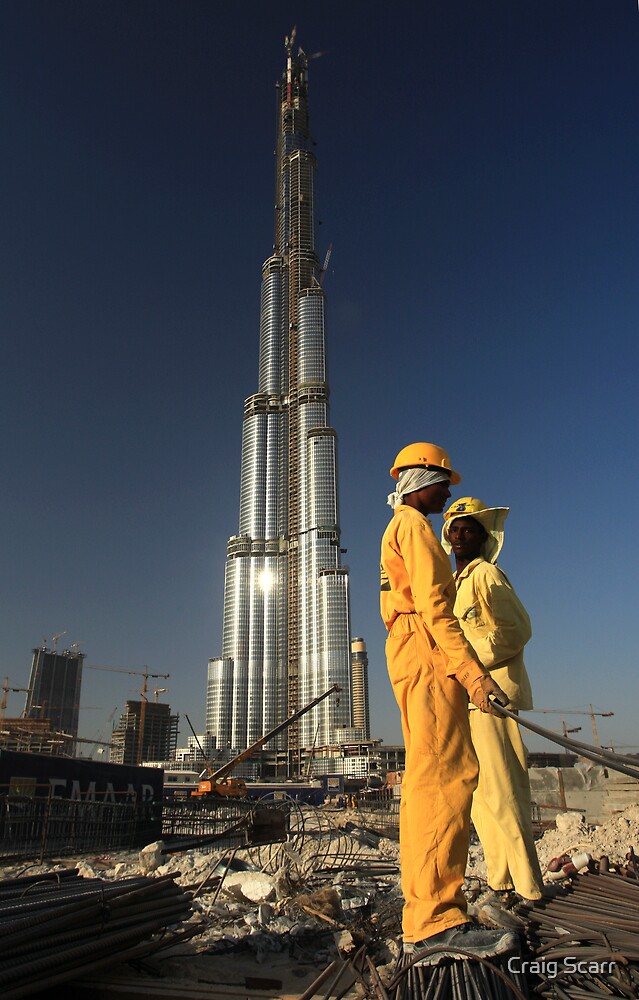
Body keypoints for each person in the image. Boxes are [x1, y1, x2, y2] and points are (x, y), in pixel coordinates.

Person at [380, 443, 518, 964]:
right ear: (421, 480)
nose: (447, 494)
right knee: (446, 777)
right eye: (443, 484)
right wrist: (475, 676)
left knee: (426, 781)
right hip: (426, 649)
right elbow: (438, 610)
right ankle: (435, 921)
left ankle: (425, 912)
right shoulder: (414, 527)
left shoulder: (399, 528)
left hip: (411, 651)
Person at [441, 497, 544, 903]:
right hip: (469, 699)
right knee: (482, 799)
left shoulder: (486, 575)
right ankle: (502, 882)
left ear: (483, 536)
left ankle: (529, 887)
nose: (459, 535)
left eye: (468, 528)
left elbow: (516, 630)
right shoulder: (455, 585)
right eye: (454, 528)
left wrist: (467, 662)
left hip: (494, 697)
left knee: (505, 794)